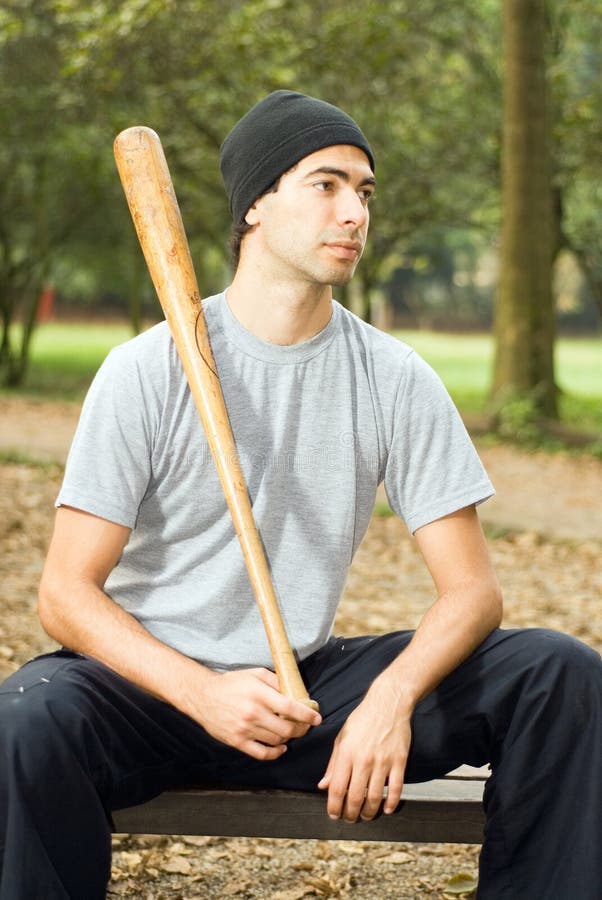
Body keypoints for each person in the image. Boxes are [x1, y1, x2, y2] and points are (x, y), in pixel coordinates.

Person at [0, 90, 600, 900]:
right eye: (326, 185)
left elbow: (473, 593)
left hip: (305, 696)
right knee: (27, 718)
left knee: (558, 674)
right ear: (255, 204)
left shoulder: (393, 377)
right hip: (150, 694)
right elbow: (65, 596)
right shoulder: (145, 370)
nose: (354, 212)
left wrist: (390, 698)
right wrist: (202, 691)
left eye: (364, 191)